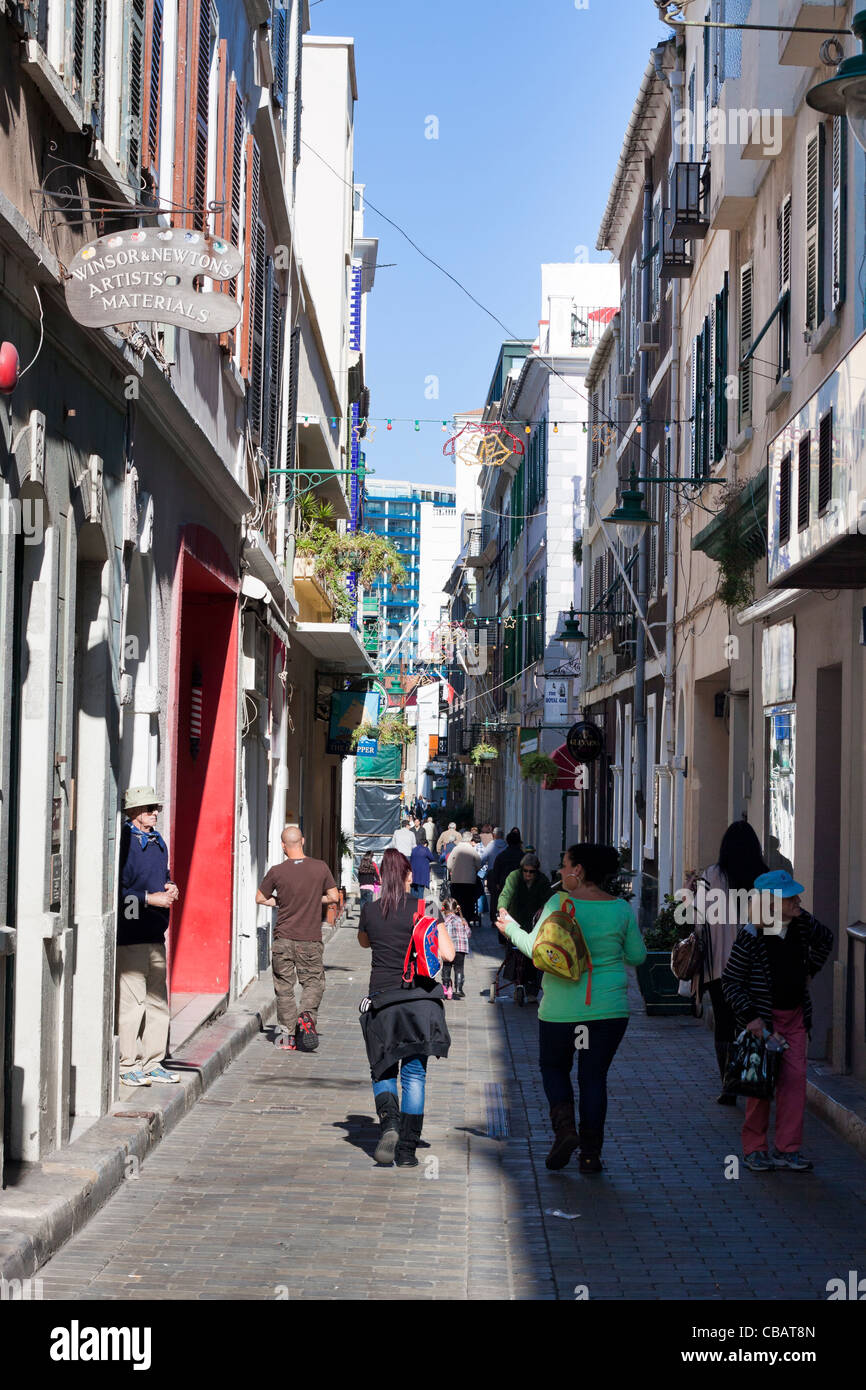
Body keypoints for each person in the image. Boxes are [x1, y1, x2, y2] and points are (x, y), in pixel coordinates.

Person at [496, 843, 646, 1174]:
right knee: (594, 1078)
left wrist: (510, 930)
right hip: (609, 1010)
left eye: (564, 865)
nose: (560, 872)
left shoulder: (559, 903)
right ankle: (591, 1155)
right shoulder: (620, 909)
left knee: (554, 1069)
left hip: (562, 1011)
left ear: (578, 870)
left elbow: (536, 949)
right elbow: (637, 957)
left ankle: (565, 1130)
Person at [722, 869, 833, 1173]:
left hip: (795, 1017)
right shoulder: (752, 934)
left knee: (794, 1084)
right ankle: (755, 1148)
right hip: (763, 1023)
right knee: (761, 1086)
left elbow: (826, 940)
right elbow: (731, 981)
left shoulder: (802, 923)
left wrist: (808, 970)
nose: (798, 900)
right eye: (791, 897)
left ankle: (788, 1149)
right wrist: (751, 1018)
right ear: (771, 903)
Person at [358, 850, 455, 1166]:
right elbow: (450, 954)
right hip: (421, 1003)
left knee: (384, 1068)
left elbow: (364, 942)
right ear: (409, 876)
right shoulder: (422, 908)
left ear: (381, 878)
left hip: (384, 1004)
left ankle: (389, 1126)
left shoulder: (370, 912)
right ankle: (408, 1151)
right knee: (414, 1075)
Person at [695, 820, 769, 1105]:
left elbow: (699, 920)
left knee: (724, 1024)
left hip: (719, 966)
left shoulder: (711, 875)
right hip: (754, 968)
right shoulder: (764, 877)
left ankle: (728, 1083)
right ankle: (753, 1078)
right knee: (750, 1021)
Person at [116, 786, 181, 1087]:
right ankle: (128, 1063)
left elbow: (162, 877)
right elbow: (118, 892)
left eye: (155, 807)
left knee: (157, 1002)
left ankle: (153, 1061)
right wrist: (149, 899)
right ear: (132, 813)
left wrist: (170, 887)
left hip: (156, 933)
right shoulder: (125, 842)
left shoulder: (158, 843)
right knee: (133, 1004)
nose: (154, 812)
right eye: (148, 808)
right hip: (131, 935)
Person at [256, 826, 341, 1052]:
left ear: (283, 846)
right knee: (313, 982)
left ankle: (287, 1037)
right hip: (309, 939)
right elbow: (333, 896)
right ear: (302, 841)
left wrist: (281, 902)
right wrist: (314, 899)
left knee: (284, 988)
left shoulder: (276, 871)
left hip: (283, 938)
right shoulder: (320, 867)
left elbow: (260, 898)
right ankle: (306, 1014)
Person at [498, 853, 552, 1004]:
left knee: (536, 957)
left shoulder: (542, 881)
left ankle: (532, 991)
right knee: (516, 956)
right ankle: (518, 984)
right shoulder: (513, 877)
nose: (528, 874)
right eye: (525, 871)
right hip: (517, 921)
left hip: (536, 925)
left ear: (536, 871)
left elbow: (549, 898)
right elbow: (506, 894)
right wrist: (502, 908)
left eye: (531, 871)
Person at [487, 827, 523, 922]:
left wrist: (497, 883)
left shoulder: (501, 856)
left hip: (504, 886)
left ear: (507, 842)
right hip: (519, 887)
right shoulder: (523, 856)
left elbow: (496, 871)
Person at [446, 831, 481, 924]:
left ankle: (457, 919)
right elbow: (479, 864)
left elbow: (449, 864)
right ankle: (467, 920)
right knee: (468, 902)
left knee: (457, 901)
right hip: (470, 881)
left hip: (456, 880)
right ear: (470, 839)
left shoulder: (455, 849)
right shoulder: (472, 850)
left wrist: (454, 870)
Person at [439, 897, 470, 1000]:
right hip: (461, 949)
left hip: (448, 948)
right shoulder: (462, 920)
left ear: (444, 909)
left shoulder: (443, 921)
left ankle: (446, 988)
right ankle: (459, 989)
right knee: (459, 968)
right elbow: (468, 934)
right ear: (457, 909)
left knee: (446, 967)